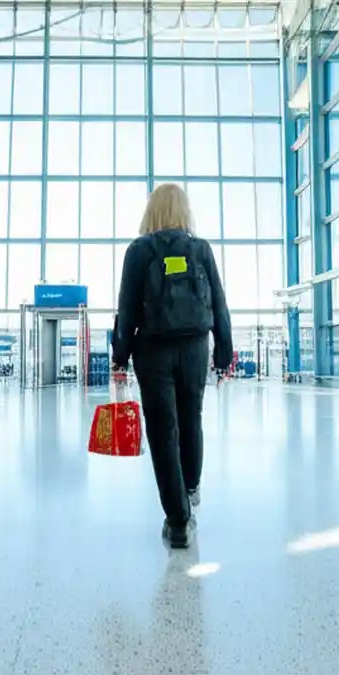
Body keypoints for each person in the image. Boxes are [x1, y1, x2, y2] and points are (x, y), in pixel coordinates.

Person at [112, 184, 232, 550]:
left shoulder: (138, 251)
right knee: (191, 418)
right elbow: (220, 304)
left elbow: (127, 309)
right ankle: (191, 486)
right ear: (184, 210)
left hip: (152, 351)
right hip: (195, 347)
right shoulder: (201, 249)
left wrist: (119, 355)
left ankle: (178, 521)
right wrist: (224, 352)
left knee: (163, 431)